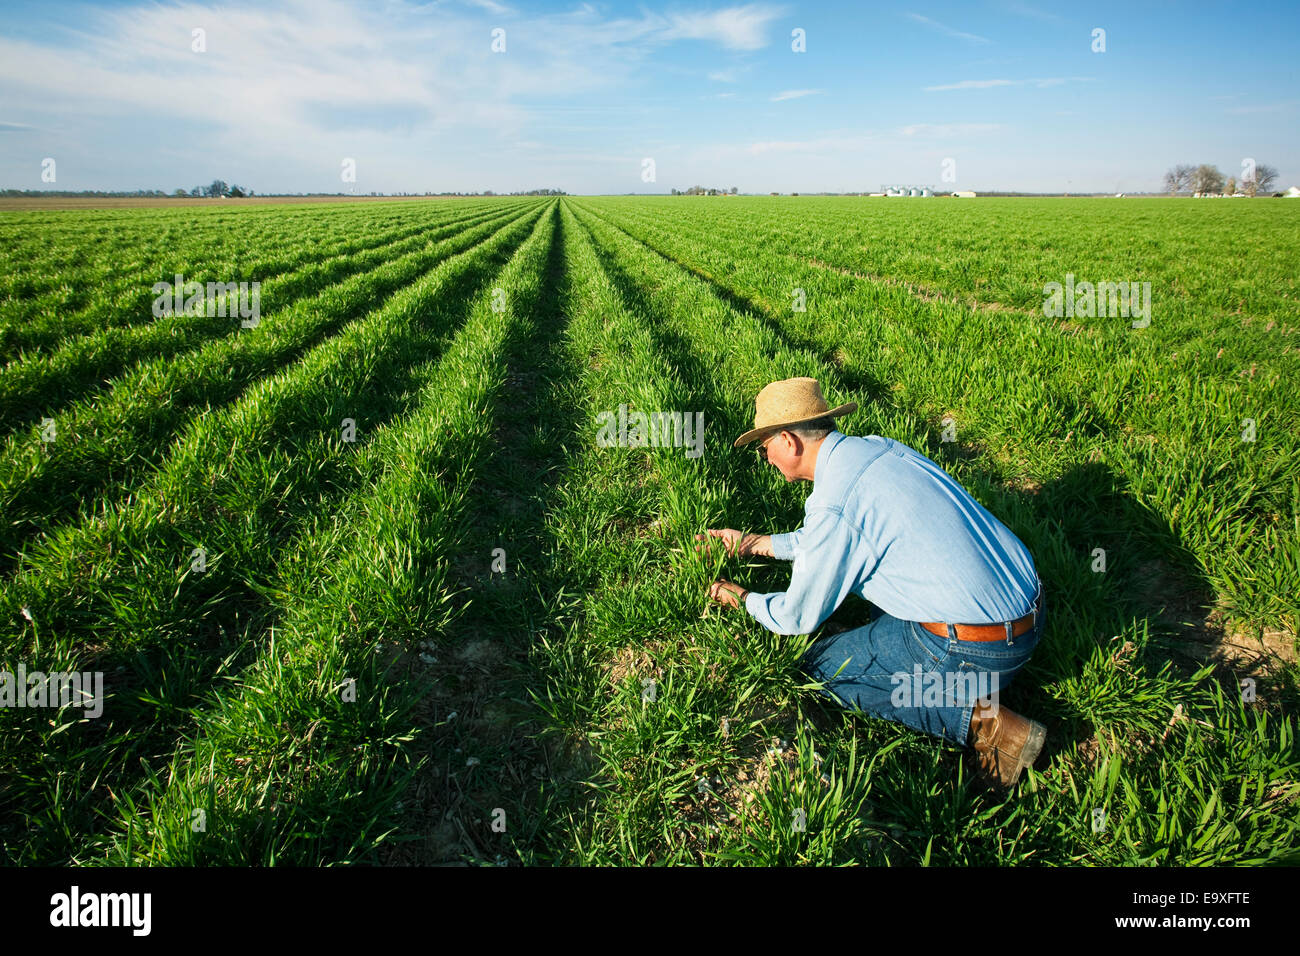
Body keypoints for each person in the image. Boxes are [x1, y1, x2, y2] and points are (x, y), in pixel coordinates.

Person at [697, 377, 1047, 788]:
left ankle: (986, 724)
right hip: (1030, 607)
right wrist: (753, 544)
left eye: (764, 448)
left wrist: (742, 598)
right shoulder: (878, 449)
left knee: (821, 667)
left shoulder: (835, 502)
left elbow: (796, 617)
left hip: (979, 647)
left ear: (788, 442)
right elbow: (829, 539)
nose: (766, 458)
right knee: (865, 629)